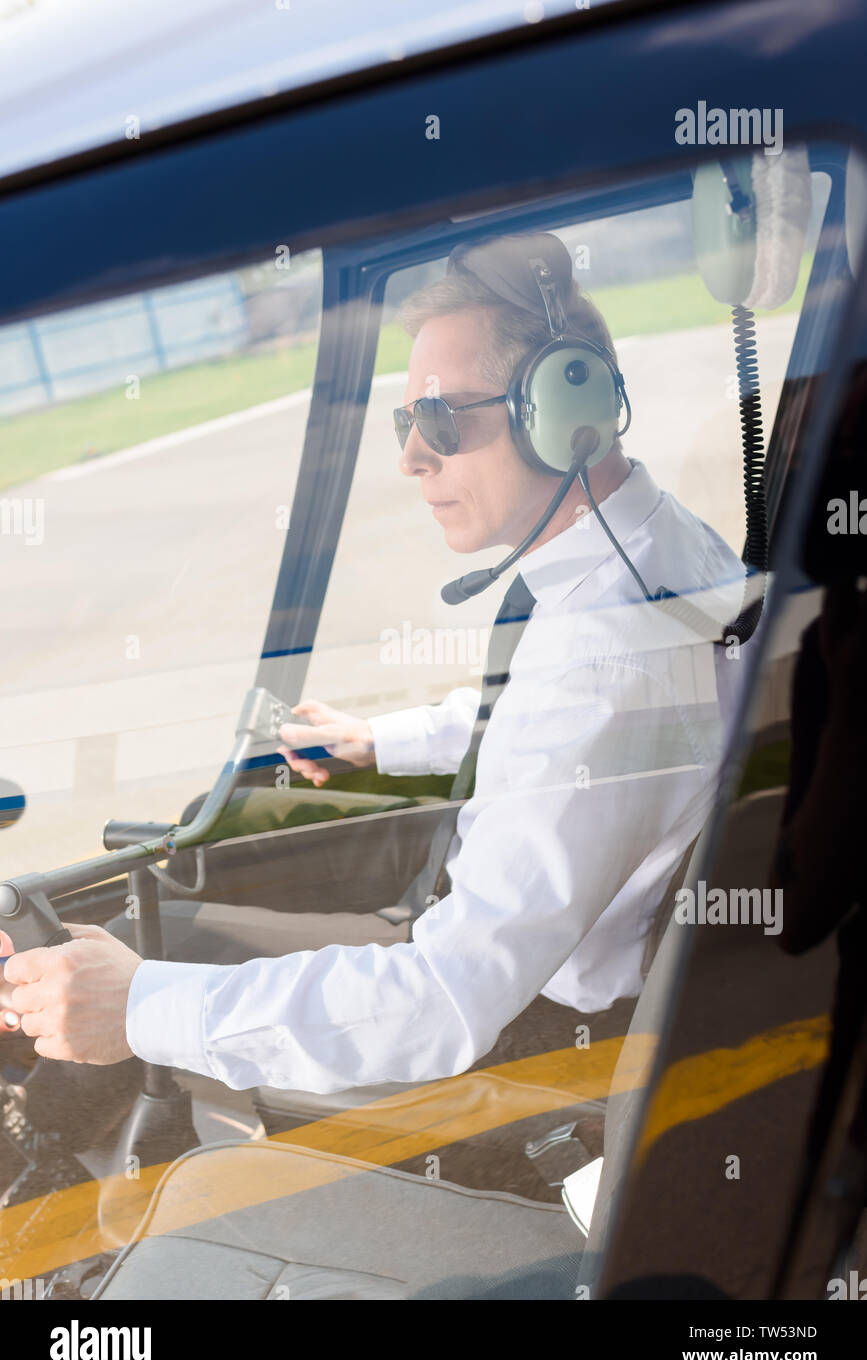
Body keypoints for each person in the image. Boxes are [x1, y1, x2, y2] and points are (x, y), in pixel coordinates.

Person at [1, 232, 746, 1105]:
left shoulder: (608, 659)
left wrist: (138, 1009)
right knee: (204, 866)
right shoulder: (643, 551)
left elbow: (442, 1001)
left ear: (562, 410)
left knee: (156, 954)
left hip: (522, 1031)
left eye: (440, 420)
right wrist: (381, 740)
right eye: (406, 423)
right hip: (508, 939)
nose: (411, 458)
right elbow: (551, 721)